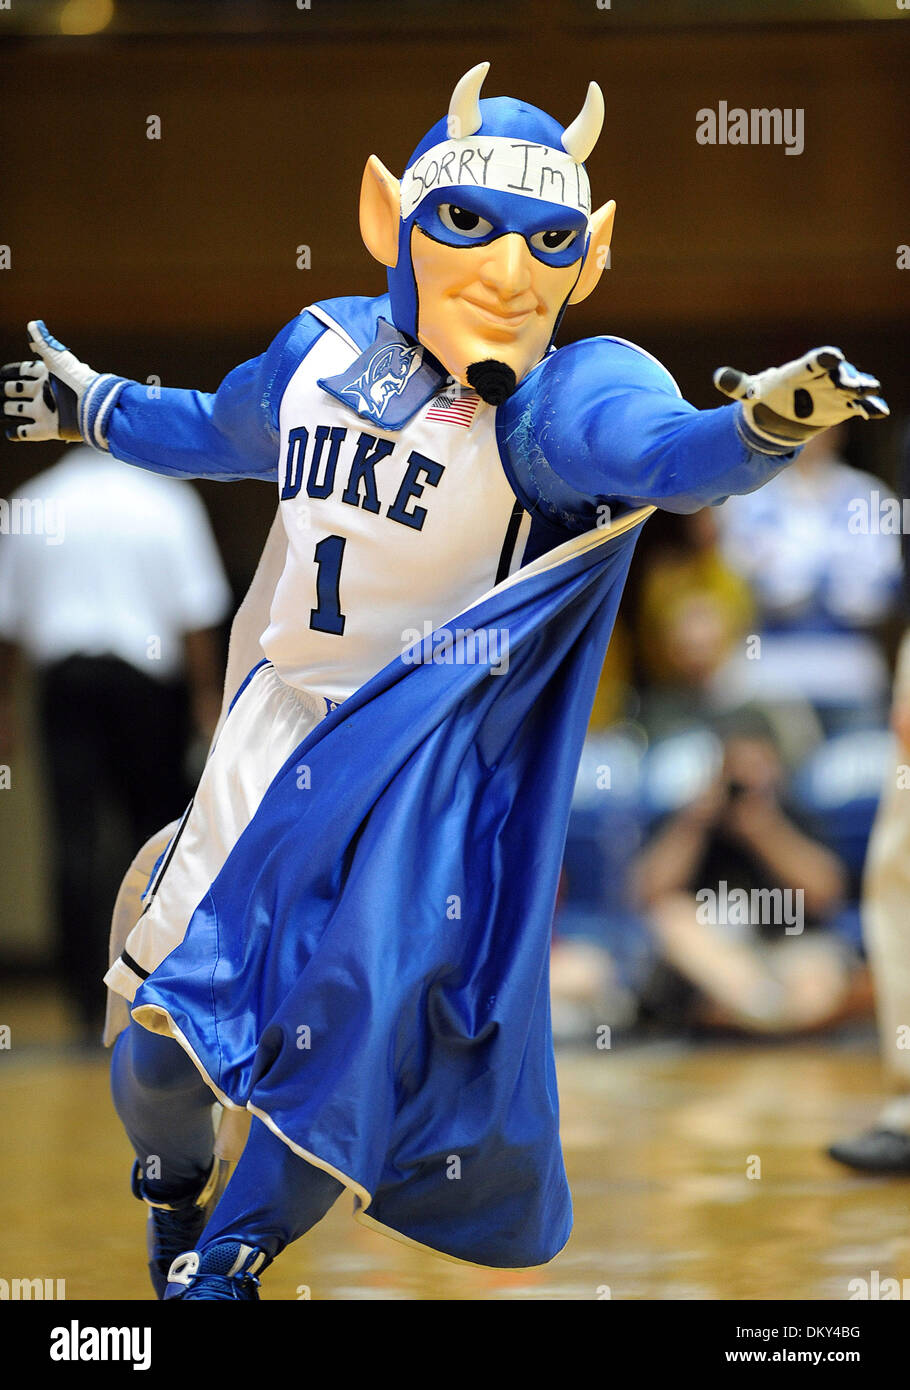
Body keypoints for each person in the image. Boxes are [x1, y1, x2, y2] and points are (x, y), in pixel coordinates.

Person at [1, 63, 888, 1300]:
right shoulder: (317, 348)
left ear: (590, 255)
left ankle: (231, 1268)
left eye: (548, 238)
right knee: (160, 1058)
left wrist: (753, 433)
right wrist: (94, 405)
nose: (507, 265)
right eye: (466, 222)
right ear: (389, 221)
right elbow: (212, 424)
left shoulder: (569, 397)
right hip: (278, 732)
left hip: (429, 769)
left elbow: (666, 453)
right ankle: (174, 1203)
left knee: (348, 1037)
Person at [0, 445, 230, 1041]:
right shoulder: (166, 499)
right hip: (146, 690)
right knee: (154, 837)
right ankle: (148, 989)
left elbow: (10, 622)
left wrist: (5, 706)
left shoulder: (35, 500)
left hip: (65, 685)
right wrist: (207, 698)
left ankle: (82, 1004)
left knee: (72, 841)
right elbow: (198, 613)